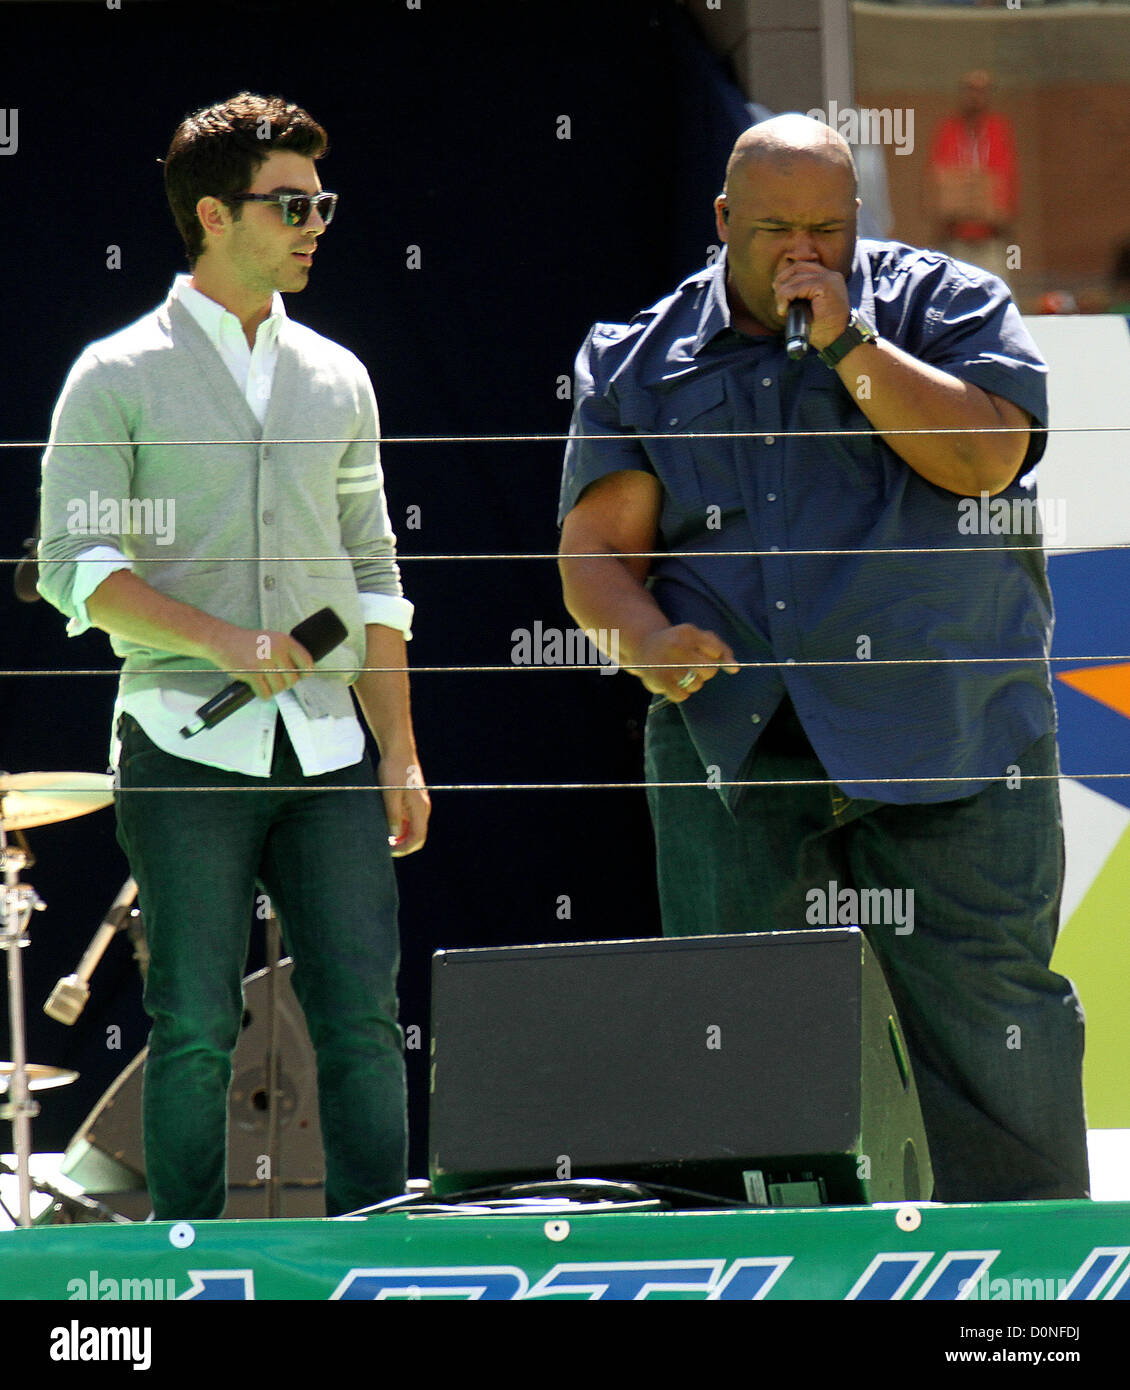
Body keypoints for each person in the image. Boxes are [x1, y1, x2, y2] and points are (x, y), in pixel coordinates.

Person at [557, 114, 1089, 1204]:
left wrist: (850, 345)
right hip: (740, 753)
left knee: (995, 1030)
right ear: (719, 222)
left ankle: (1029, 1303)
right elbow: (596, 555)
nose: (802, 254)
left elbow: (984, 460)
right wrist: (648, 641)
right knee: (735, 1043)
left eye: (825, 229)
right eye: (772, 230)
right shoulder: (638, 356)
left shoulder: (947, 308)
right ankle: (777, 1272)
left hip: (948, 731)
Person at [37, 93, 430, 1220]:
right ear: (213, 214)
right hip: (176, 744)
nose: (316, 223)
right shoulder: (113, 373)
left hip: (327, 750)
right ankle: (179, 1265)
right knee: (195, 1022)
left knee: (360, 1012)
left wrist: (396, 748)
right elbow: (72, 565)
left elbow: (373, 575)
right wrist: (223, 641)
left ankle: (376, 1260)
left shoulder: (339, 376)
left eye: (323, 201)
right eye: (292, 203)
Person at [926, 70, 1018, 282]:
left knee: (996, 299)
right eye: (970, 90)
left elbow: (1007, 182)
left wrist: (998, 212)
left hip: (991, 239)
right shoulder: (948, 129)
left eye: (982, 91)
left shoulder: (999, 129)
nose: (975, 96)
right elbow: (937, 182)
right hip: (955, 239)